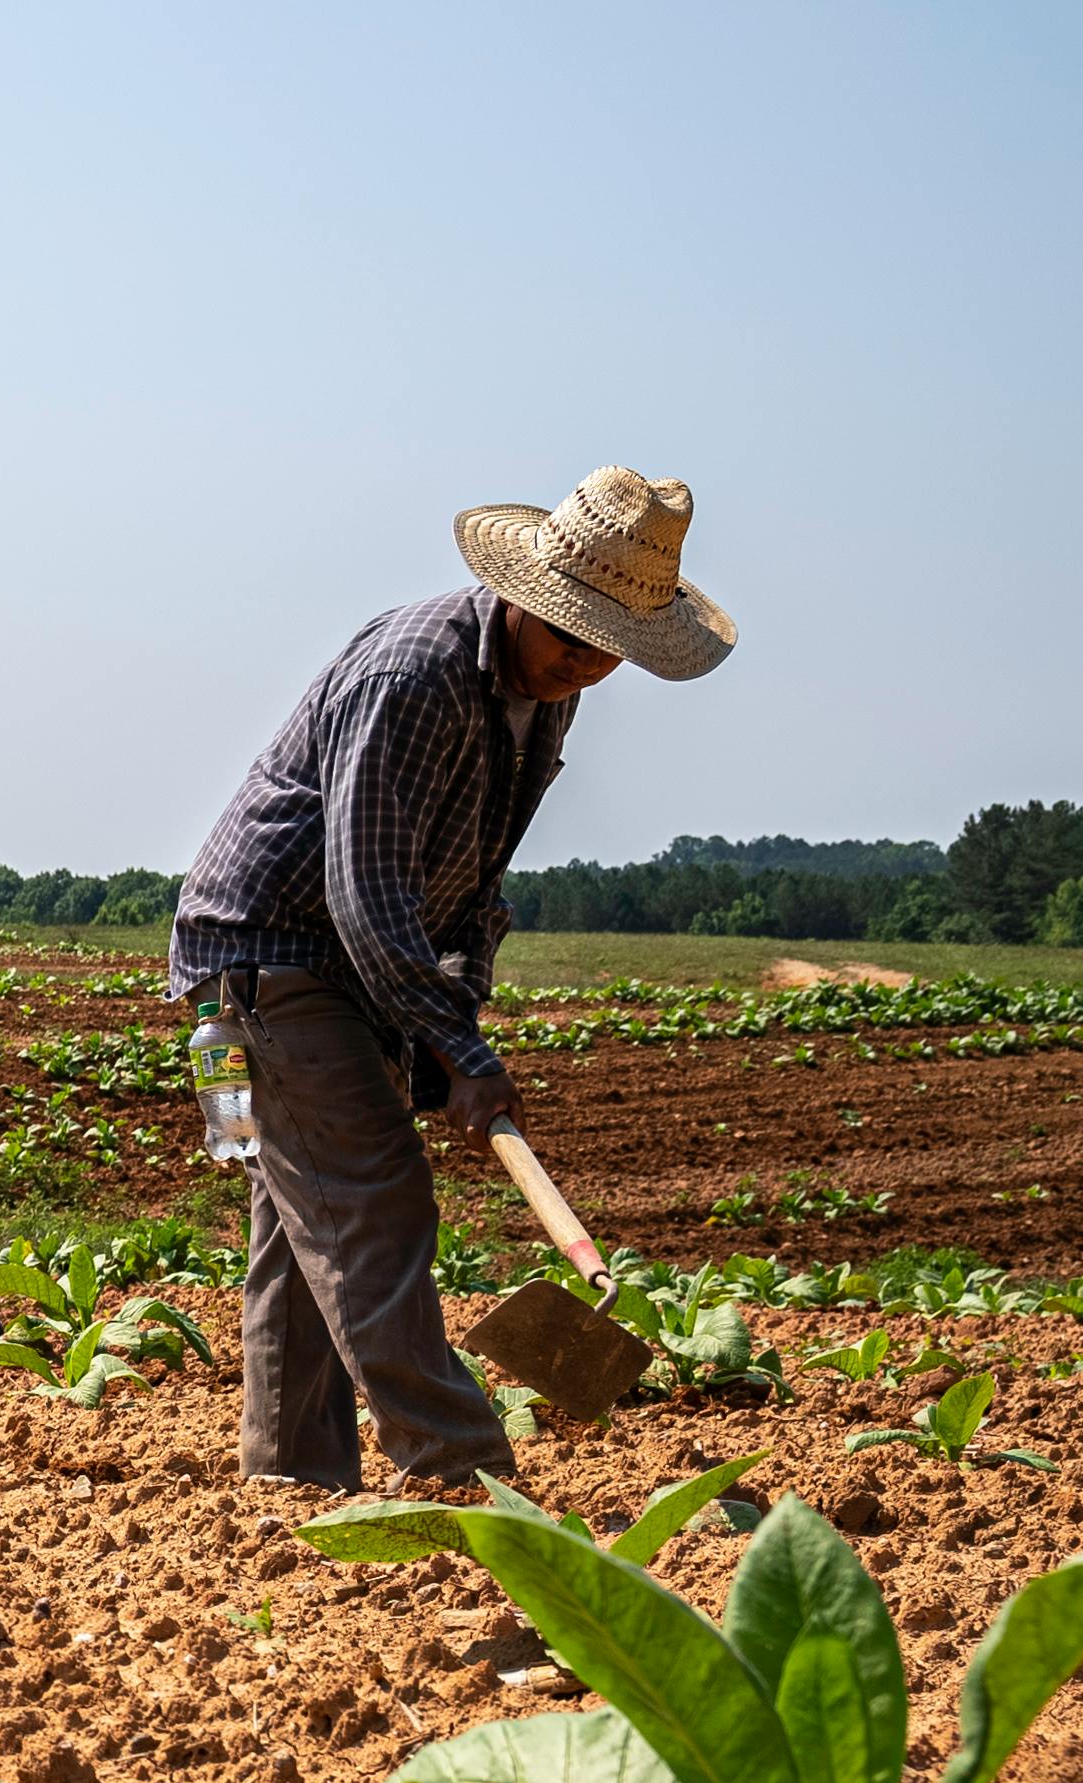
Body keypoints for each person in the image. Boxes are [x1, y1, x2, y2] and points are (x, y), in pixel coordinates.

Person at [172, 468, 733, 1491]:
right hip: (271, 954)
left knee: (309, 1233)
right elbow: (364, 887)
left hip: (351, 960)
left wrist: (451, 1017)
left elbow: (472, 881)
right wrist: (462, 1051)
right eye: (571, 634)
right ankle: (456, 1472)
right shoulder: (415, 676)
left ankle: (292, 1480)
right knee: (374, 1199)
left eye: (610, 648)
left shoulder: (539, 695)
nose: (586, 662)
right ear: (522, 592)